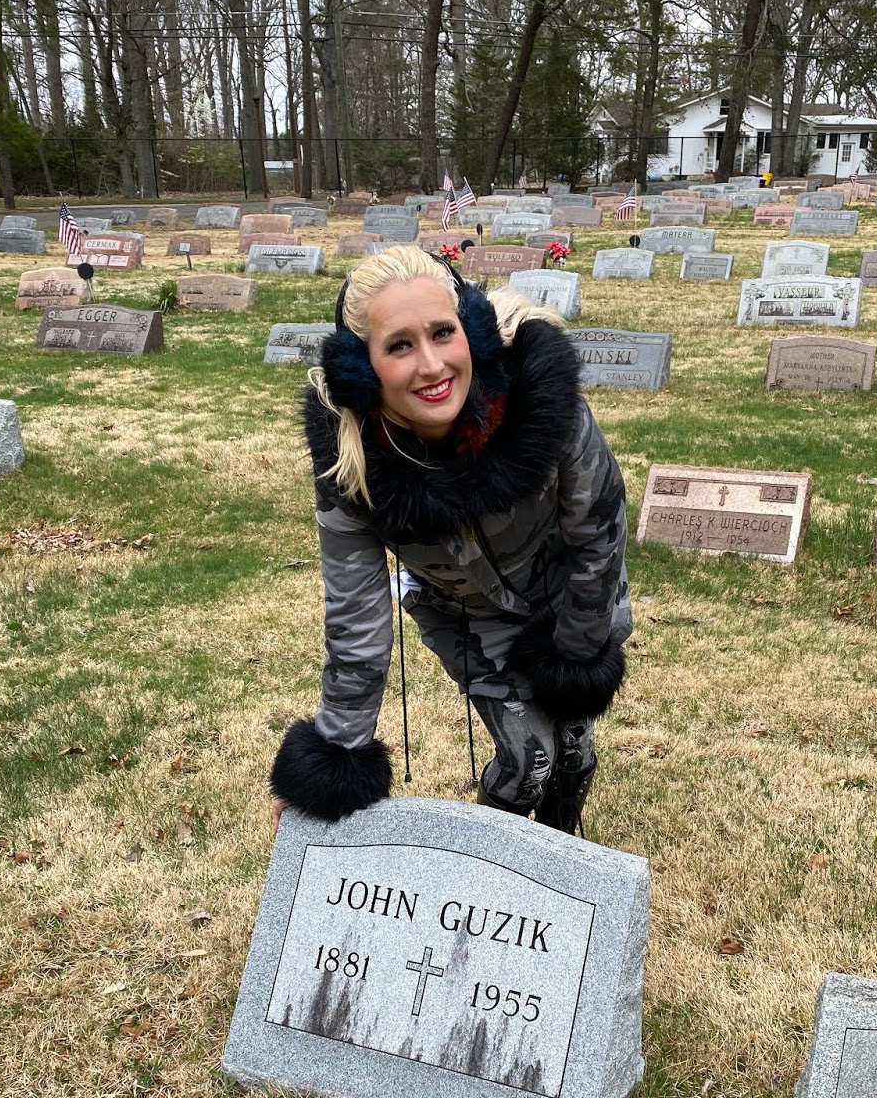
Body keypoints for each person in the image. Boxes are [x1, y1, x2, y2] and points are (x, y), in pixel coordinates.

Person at [269, 244, 632, 834]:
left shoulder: (546, 405)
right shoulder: (350, 464)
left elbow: (598, 533)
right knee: (528, 758)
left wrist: (576, 655)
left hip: (574, 595)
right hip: (468, 614)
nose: (433, 366)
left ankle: (564, 844)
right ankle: (487, 882)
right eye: (399, 346)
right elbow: (356, 617)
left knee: (573, 747)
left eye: (443, 333)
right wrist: (333, 762)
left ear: (475, 334)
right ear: (360, 369)